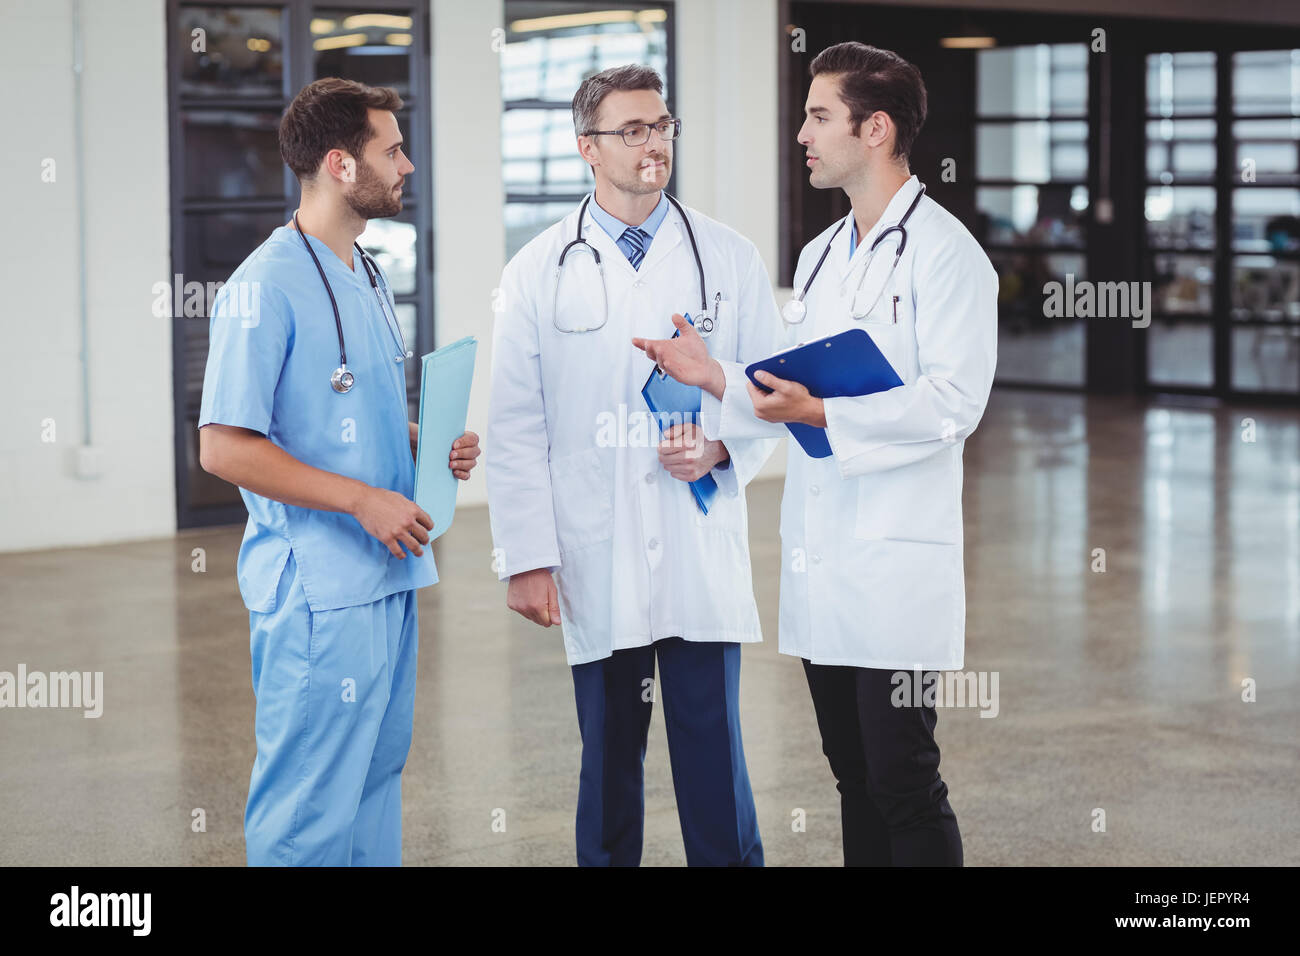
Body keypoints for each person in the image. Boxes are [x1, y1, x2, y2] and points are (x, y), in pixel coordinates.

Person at [634, 43, 998, 866]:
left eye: (818, 116)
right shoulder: (823, 254)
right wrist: (714, 379)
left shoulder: (946, 254)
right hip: (826, 559)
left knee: (905, 776)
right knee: (851, 772)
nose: (801, 132)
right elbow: (785, 390)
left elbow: (955, 404)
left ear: (876, 129)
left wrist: (825, 410)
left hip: (898, 565)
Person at [485, 64, 784, 866]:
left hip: (696, 546)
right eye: (632, 131)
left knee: (714, 763)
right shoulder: (536, 272)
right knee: (609, 764)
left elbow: (774, 392)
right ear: (587, 147)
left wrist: (718, 446)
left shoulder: (728, 257)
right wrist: (528, 558)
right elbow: (515, 427)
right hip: (595, 549)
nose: (654, 144)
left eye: (663, 127)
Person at [197, 77, 480, 866]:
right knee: (309, 807)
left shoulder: (367, 273)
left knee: (373, 783)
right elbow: (223, 446)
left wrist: (430, 442)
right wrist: (360, 498)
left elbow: (344, 416)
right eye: (391, 150)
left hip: (388, 576)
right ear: (340, 165)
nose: (408, 165)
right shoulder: (264, 286)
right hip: (320, 593)